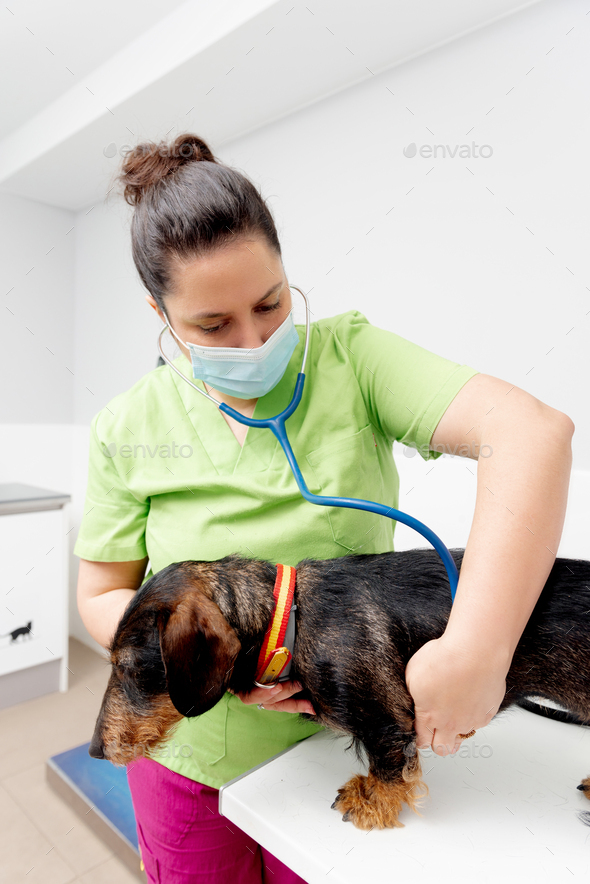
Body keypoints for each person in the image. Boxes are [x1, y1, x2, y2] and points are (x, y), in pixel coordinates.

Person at [75, 133, 574, 883]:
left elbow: (533, 434)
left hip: (337, 747)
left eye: (271, 303)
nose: (254, 340)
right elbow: (101, 594)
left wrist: (479, 649)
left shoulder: (352, 360)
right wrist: (208, 657)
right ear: (160, 312)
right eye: (213, 326)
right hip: (192, 761)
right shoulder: (126, 427)